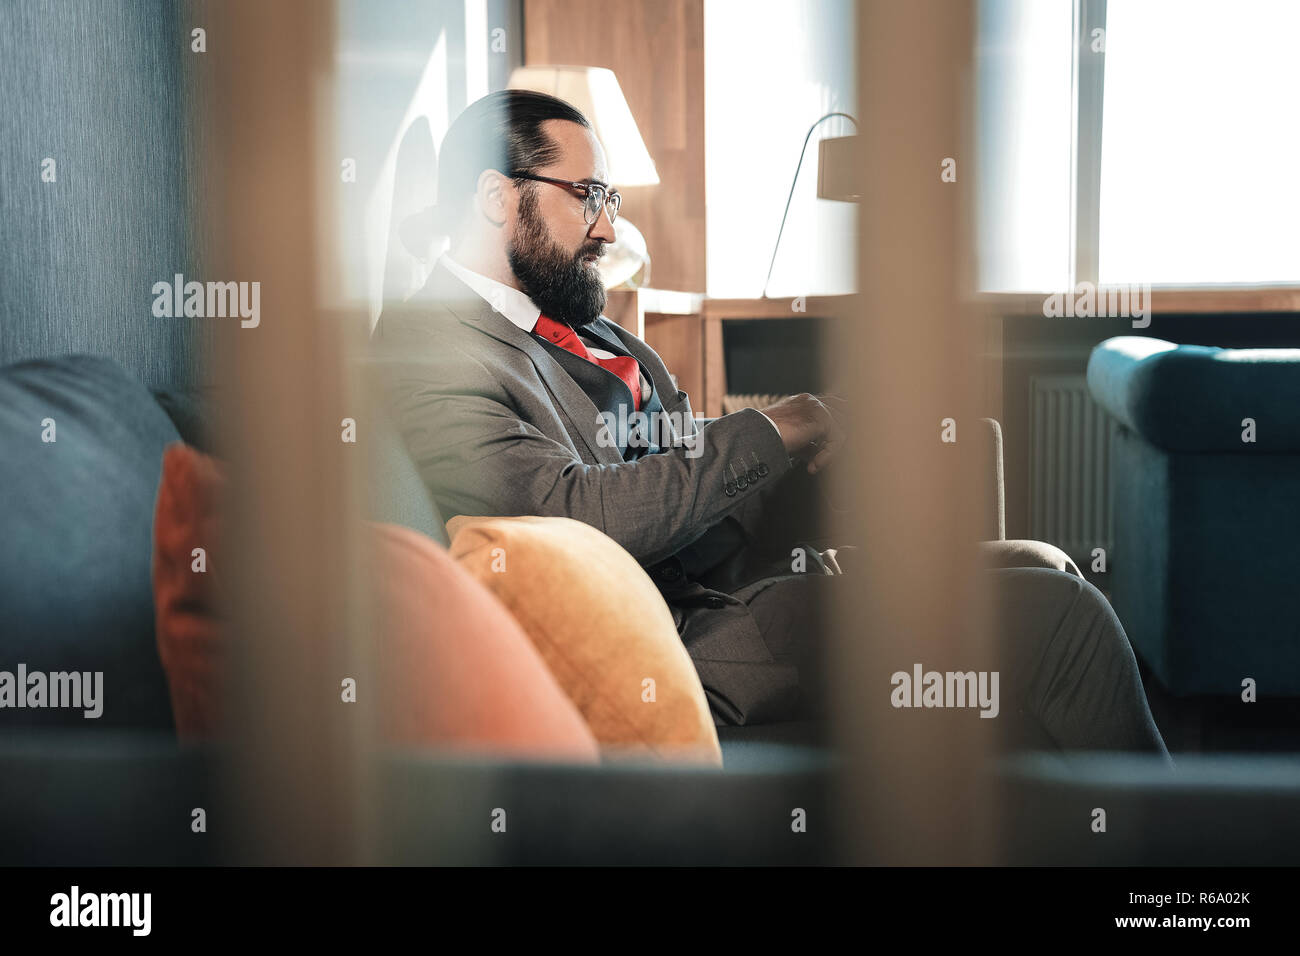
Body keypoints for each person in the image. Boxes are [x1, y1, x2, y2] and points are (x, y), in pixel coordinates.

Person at [368, 89, 1169, 759]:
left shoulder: (590, 328)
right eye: (588, 197)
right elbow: (572, 515)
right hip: (684, 642)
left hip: (735, 581)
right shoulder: (424, 347)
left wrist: (820, 432)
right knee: (1067, 622)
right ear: (495, 196)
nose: (608, 228)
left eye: (608, 200)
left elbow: (675, 457)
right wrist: (783, 425)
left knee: (1047, 564)